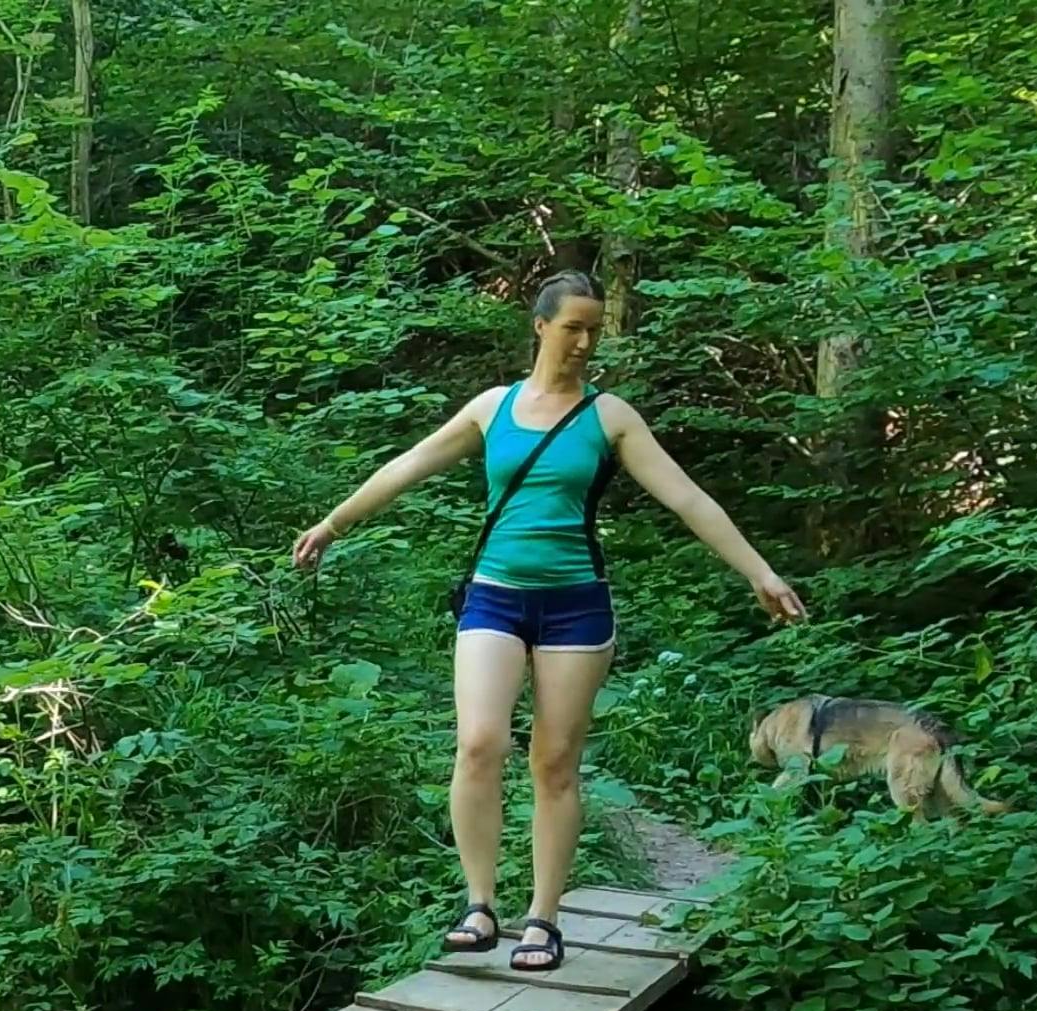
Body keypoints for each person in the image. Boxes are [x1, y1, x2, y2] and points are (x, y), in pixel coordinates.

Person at [290, 270, 805, 971]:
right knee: (479, 742)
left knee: (555, 763)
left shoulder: (610, 417)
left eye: (595, 330)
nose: (585, 342)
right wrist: (332, 523)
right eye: (573, 327)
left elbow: (688, 499)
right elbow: (409, 465)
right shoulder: (491, 408)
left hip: (575, 604)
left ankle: (543, 918)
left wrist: (759, 571)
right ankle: (479, 904)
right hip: (495, 596)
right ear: (540, 325)